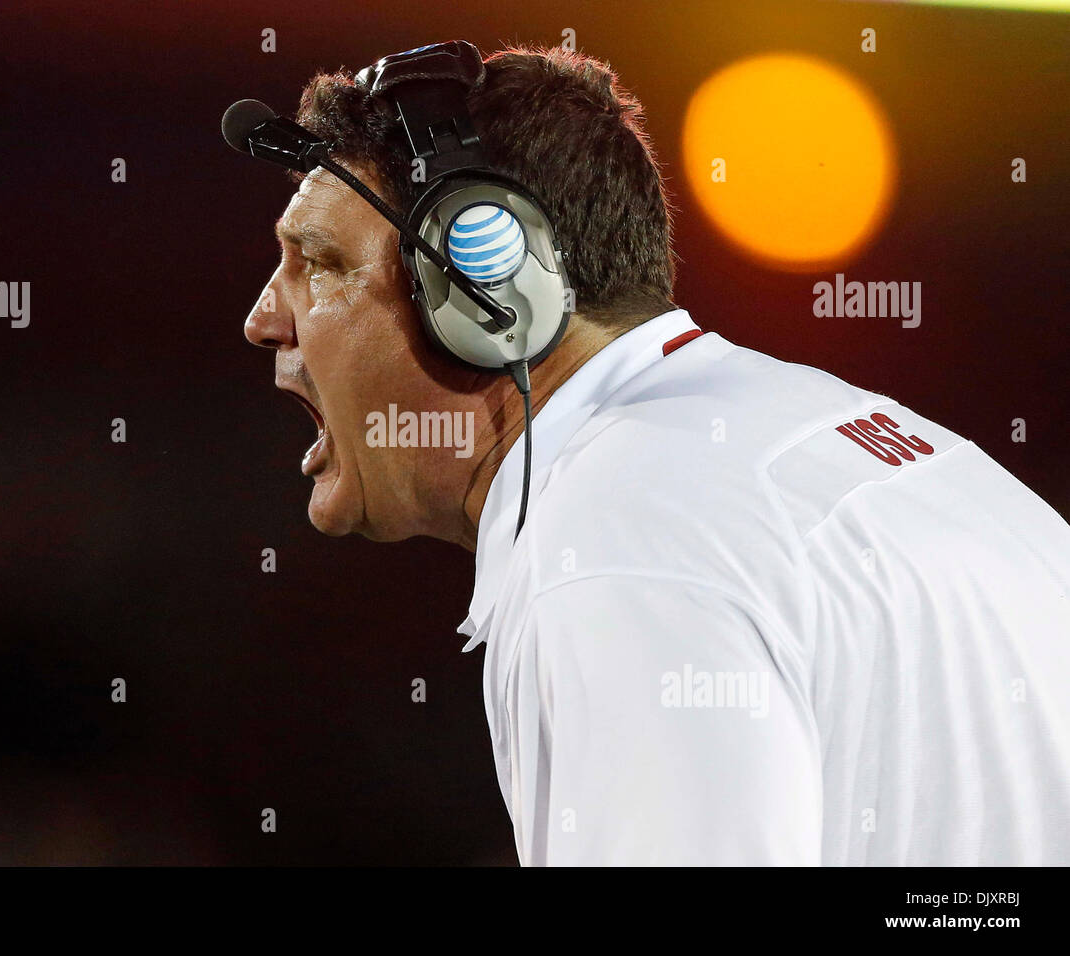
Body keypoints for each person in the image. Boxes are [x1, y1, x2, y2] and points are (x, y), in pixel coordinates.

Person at [241, 43, 1070, 865]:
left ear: (489, 294)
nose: (265, 319)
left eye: (319, 263)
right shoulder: (840, 438)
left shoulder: (612, 543)